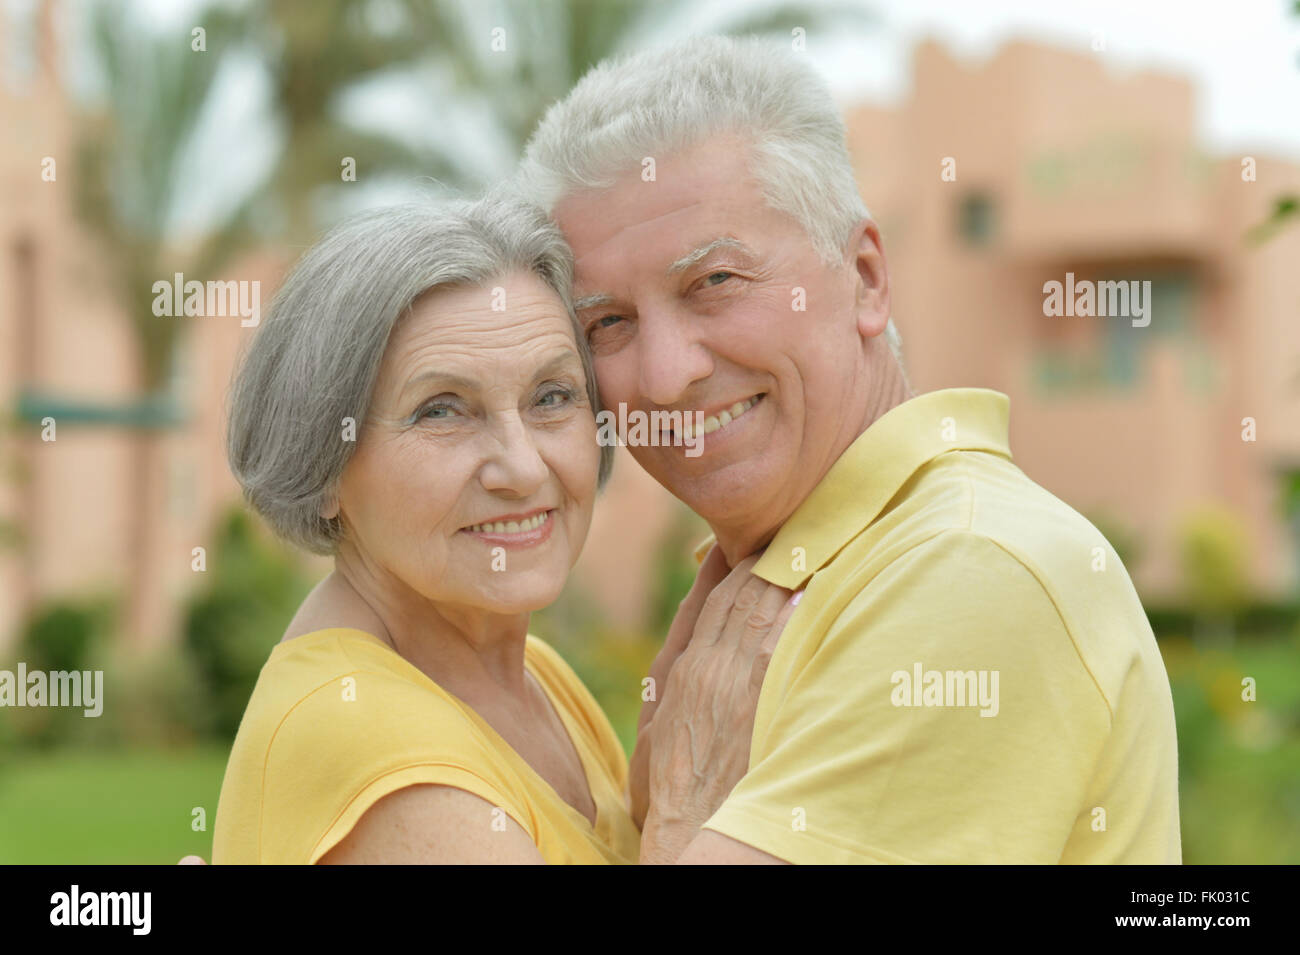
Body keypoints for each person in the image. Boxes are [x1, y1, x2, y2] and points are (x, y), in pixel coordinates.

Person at [514, 34, 1183, 864]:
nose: (665, 374)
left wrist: (683, 813)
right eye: (607, 323)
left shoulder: (967, 570)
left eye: (714, 282)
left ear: (864, 276)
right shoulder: (791, 577)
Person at [209, 192, 797, 864]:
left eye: (552, 396)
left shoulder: (534, 675)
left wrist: (653, 800)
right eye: (442, 411)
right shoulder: (377, 745)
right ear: (326, 463)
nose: (521, 467)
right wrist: (691, 814)